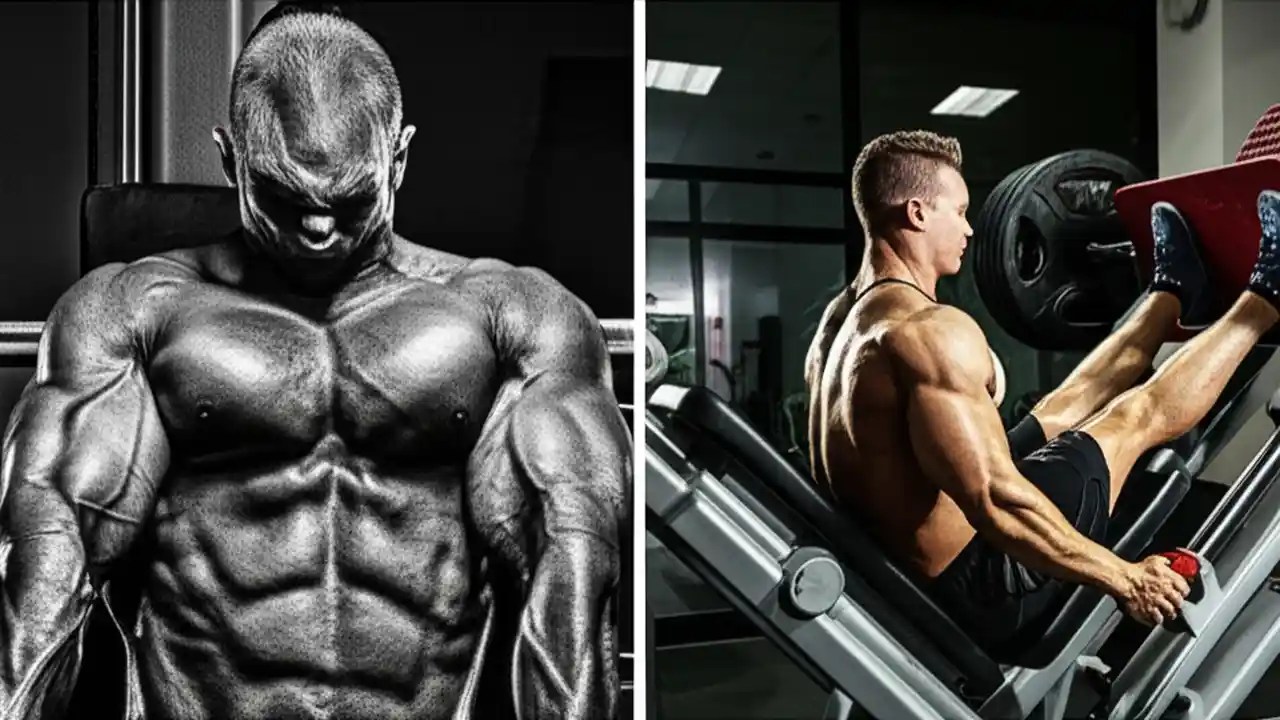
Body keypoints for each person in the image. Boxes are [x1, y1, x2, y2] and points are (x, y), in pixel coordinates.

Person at [0, 5, 628, 720]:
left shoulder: (512, 319)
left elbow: (571, 591)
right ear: (229, 155)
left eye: (352, 197)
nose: (321, 228)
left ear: (400, 156)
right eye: (284, 195)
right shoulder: (135, 315)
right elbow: (44, 593)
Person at [805, 129, 1280, 659]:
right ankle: (1267, 296)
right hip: (988, 585)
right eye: (958, 211)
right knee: (1130, 416)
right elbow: (995, 499)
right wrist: (1125, 578)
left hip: (935, 567)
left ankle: (1169, 296)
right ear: (917, 213)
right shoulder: (929, 333)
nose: (968, 228)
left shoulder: (839, 325)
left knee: (1061, 405)